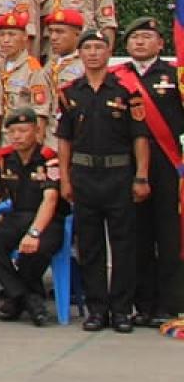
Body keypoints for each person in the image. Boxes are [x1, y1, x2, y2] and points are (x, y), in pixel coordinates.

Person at [57, 28, 150, 333]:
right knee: (90, 245)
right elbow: (64, 140)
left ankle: (121, 310)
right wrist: (65, 180)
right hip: (84, 176)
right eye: (88, 48)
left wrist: (141, 176)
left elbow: (140, 138)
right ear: (80, 54)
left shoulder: (126, 90)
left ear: (109, 53)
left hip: (119, 175)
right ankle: (96, 309)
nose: (93, 53)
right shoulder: (70, 92)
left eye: (99, 47)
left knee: (123, 245)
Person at [112, 16, 181, 326]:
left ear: (160, 43)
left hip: (167, 165)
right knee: (137, 236)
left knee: (168, 236)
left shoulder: (174, 76)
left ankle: (169, 304)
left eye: (146, 37)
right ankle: (143, 302)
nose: (139, 42)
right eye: (134, 37)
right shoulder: (118, 78)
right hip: (129, 165)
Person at [0, 110, 63, 326]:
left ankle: (16, 298)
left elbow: (50, 199)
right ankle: (28, 298)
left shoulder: (49, 158)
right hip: (17, 215)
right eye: (12, 131)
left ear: (37, 130)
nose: (17, 136)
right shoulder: (3, 159)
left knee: (36, 248)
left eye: (23, 130)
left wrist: (34, 233)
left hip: (48, 219)